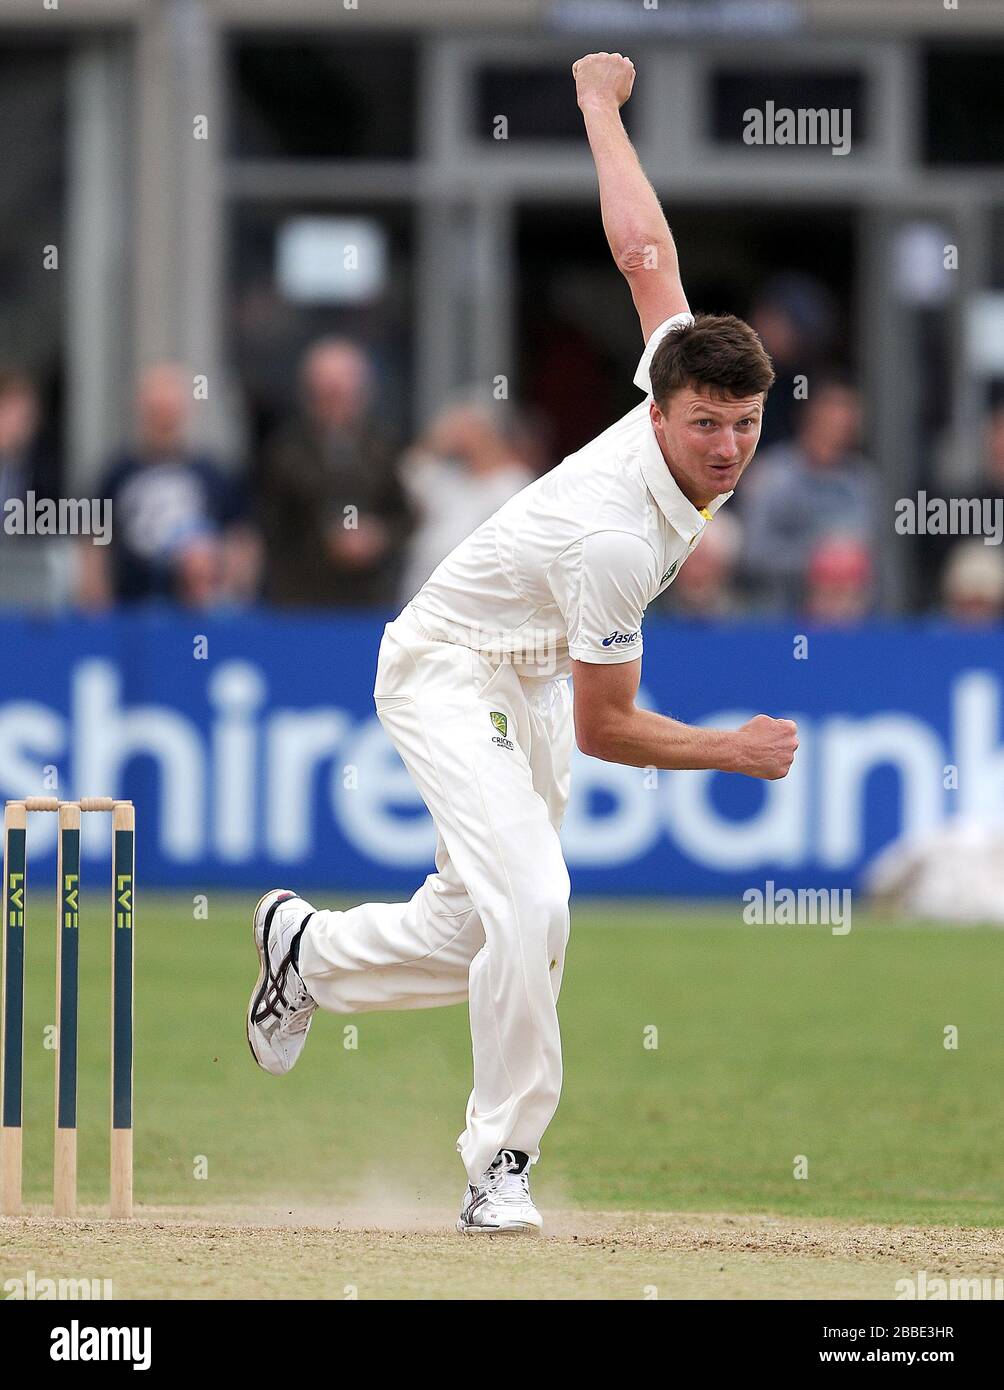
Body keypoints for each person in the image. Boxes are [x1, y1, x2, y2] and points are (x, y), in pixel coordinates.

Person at [245, 52, 797, 1236]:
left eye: (744, 426)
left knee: (477, 929)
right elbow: (608, 731)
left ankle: (306, 950)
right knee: (535, 906)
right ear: (658, 409)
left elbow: (644, 253)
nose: (725, 450)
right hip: (448, 665)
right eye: (704, 425)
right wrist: (730, 751)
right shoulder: (609, 537)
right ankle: (500, 1161)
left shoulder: (686, 376)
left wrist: (599, 112)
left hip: (531, 670)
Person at [79, 363, 257, 608]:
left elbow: (240, 539)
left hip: (199, 615)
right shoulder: (117, 474)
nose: (163, 419)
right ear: (141, 409)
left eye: (169, 411)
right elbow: (94, 544)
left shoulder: (214, 475)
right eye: (156, 410)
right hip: (132, 613)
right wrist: (96, 600)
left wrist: (233, 594)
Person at [257, 339, 411, 608]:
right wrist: (325, 537)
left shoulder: (385, 450)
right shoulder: (284, 452)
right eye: (326, 393)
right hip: (302, 603)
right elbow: (270, 524)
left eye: (342, 392)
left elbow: (405, 515)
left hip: (370, 602)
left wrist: (378, 536)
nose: (336, 402)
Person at [738, 375, 875, 611]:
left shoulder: (861, 483)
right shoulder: (772, 475)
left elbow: (875, 555)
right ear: (809, 419)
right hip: (777, 608)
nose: (836, 431)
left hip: (850, 613)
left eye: (844, 424)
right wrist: (816, 561)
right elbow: (752, 552)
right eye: (829, 420)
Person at [397, 395, 533, 604]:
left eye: (469, 431)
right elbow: (408, 471)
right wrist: (438, 440)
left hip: (476, 604)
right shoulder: (447, 477)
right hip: (421, 595)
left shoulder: (514, 483)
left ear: (489, 434)